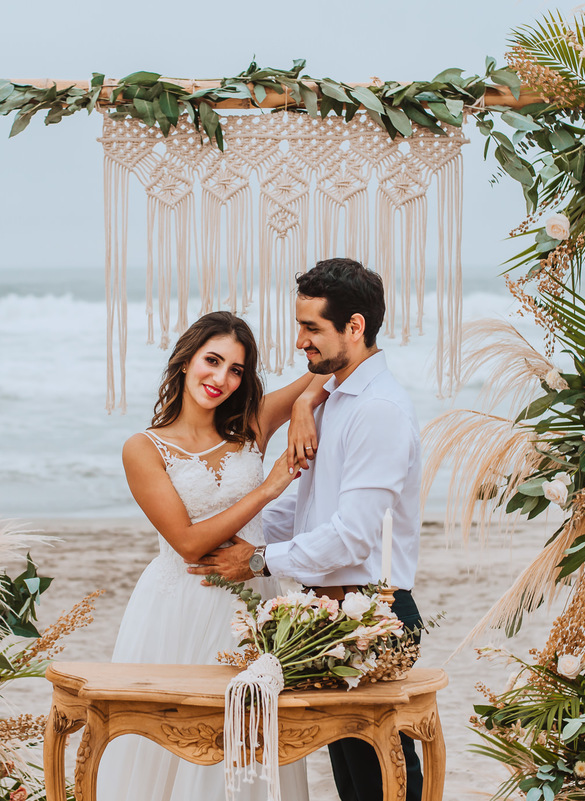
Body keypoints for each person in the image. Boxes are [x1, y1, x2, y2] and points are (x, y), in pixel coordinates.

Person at [188, 258, 427, 801]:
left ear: (356, 326)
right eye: (300, 326)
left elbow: (353, 536)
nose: (300, 342)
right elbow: (305, 505)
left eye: (312, 328)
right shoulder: (334, 401)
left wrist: (257, 560)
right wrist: (228, 526)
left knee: (380, 774)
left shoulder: (379, 411)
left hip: (376, 610)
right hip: (328, 608)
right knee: (352, 777)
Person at [96, 310, 319, 801]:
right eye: (212, 361)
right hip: (177, 606)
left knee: (250, 742)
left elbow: (324, 373)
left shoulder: (252, 424)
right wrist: (268, 487)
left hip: (253, 604)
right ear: (185, 361)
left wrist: (302, 406)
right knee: (176, 742)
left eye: (236, 370)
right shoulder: (144, 448)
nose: (220, 379)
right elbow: (189, 542)